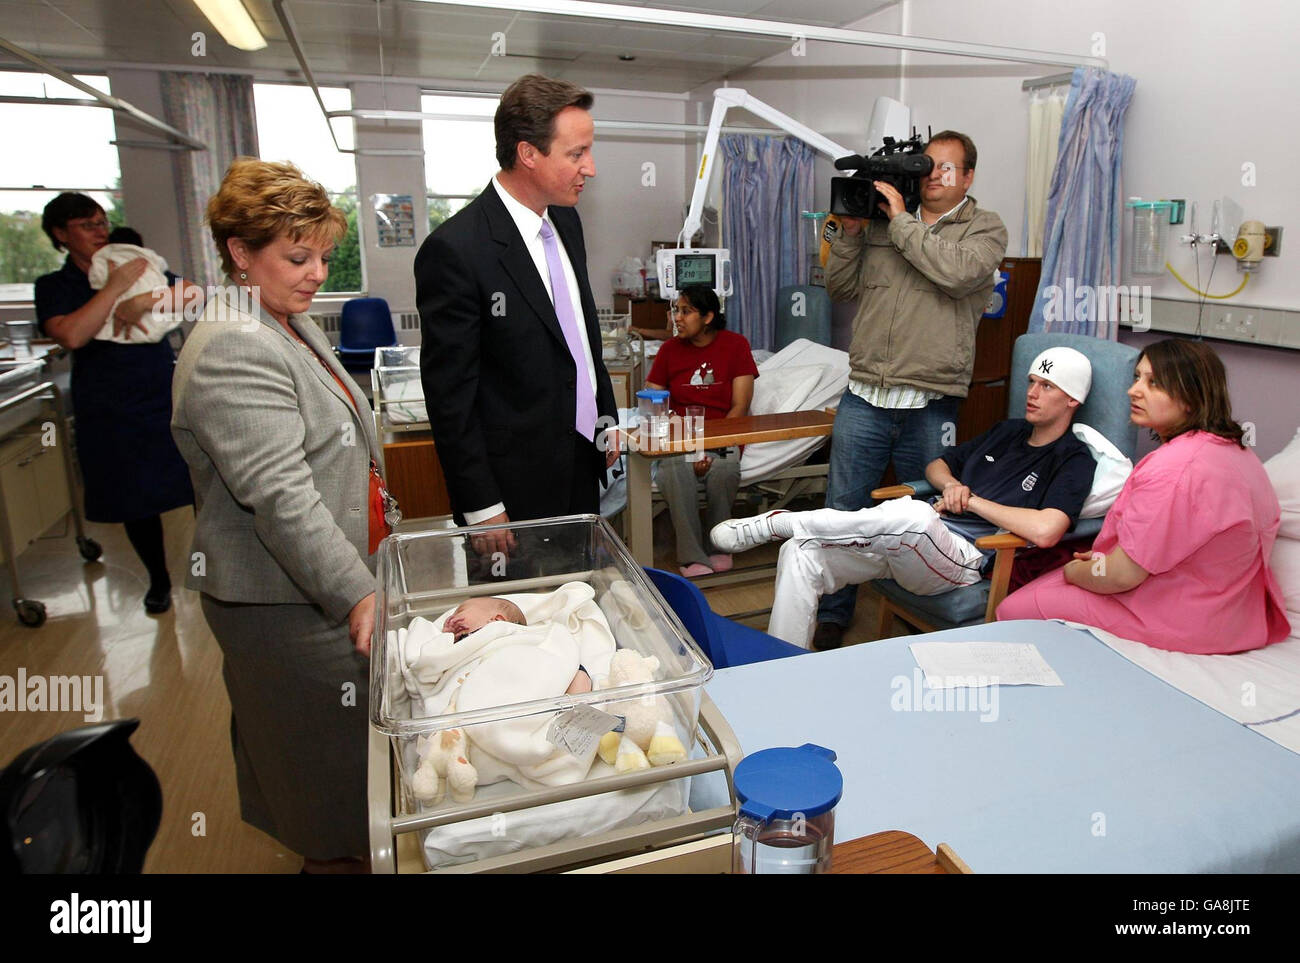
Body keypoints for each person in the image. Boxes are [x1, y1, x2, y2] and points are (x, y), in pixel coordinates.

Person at [171, 158, 393, 872]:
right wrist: (357, 591)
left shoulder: (279, 319)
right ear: (240, 252)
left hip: (322, 583)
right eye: (298, 256)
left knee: (342, 781)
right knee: (331, 793)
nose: (316, 273)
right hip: (288, 603)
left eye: (324, 256)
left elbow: (338, 436)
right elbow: (281, 495)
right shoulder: (235, 344)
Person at [712, 347, 1096, 648]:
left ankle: (785, 521)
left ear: (1072, 400)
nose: (1032, 393)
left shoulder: (1073, 459)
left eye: (1046, 387)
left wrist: (972, 500)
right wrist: (950, 486)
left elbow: (1047, 531)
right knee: (801, 552)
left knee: (914, 515)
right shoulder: (1007, 431)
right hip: (913, 543)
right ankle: (784, 665)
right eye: (1031, 382)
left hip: (965, 557)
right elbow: (937, 466)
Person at [814, 130, 1009, 649]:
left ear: (968, 176)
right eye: (929, 167)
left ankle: (916, 609)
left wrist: (898, 220)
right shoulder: (882, 223)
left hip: (930, 401)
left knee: (924, 514)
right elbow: (840, 287)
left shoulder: (984, 229)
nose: (935, 177)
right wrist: (852, 232)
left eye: (948, 168)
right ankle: (833, 614)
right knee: (842, 512)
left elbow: (956, 273)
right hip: (865, 395)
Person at [415, 74, 617, 558]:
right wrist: (482, 505)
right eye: (576, 154)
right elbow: (450, 398)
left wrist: (604, 416)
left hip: (579, 459)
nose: (590, 167)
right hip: (511, 488)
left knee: (579, 605)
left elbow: (580, 337)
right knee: (517, 623)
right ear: (528, 153)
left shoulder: (565, 221)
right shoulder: (457, 250)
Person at [998, 339, 1289, 654]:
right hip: (1236, 616)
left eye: (1154, 383)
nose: (1133, 390)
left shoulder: (1171, 469)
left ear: (1191, 397)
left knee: (1015, 609)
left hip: (1184, 619)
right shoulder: (1240, 453)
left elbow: (1123, 575)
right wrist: (1104, 563)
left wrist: (1074, 570)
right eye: (1137, 377)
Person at [34, 193, 200, 613]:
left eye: (101, 221)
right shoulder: (56, 286)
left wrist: (142, 300)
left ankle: (209, 566)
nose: (99, 231)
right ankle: (158, 579)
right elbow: (72, 335)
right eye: (86, 225)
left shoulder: (135, 261)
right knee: (135, 497)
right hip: (109, 404)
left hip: (160, 389)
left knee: (196, 481)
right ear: (60, 234)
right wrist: (115, 289)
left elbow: (191, 293)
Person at [643, 285, 757, 576]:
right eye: (675, 310)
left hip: (724, 432)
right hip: (680, 434)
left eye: (685, 311)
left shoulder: (736, 345)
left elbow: (740, 406)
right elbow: (652, 400)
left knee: (724, 470)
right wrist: (682, 440)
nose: (676, 318)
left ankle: (719, 545)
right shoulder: (669, 350)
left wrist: (710, 448)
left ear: (708, 317)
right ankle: (692, 556)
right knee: (674, 470)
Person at [441, 596, 592, 693]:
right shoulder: (462, 644)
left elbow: (552, 647)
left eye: (460, 611)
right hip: (492, 692)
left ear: (497, 620)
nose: (451, 618)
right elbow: (441, 662)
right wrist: (447, 637)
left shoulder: (518, 635)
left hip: (534, 680)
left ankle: (573, 718)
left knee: (577, 675)